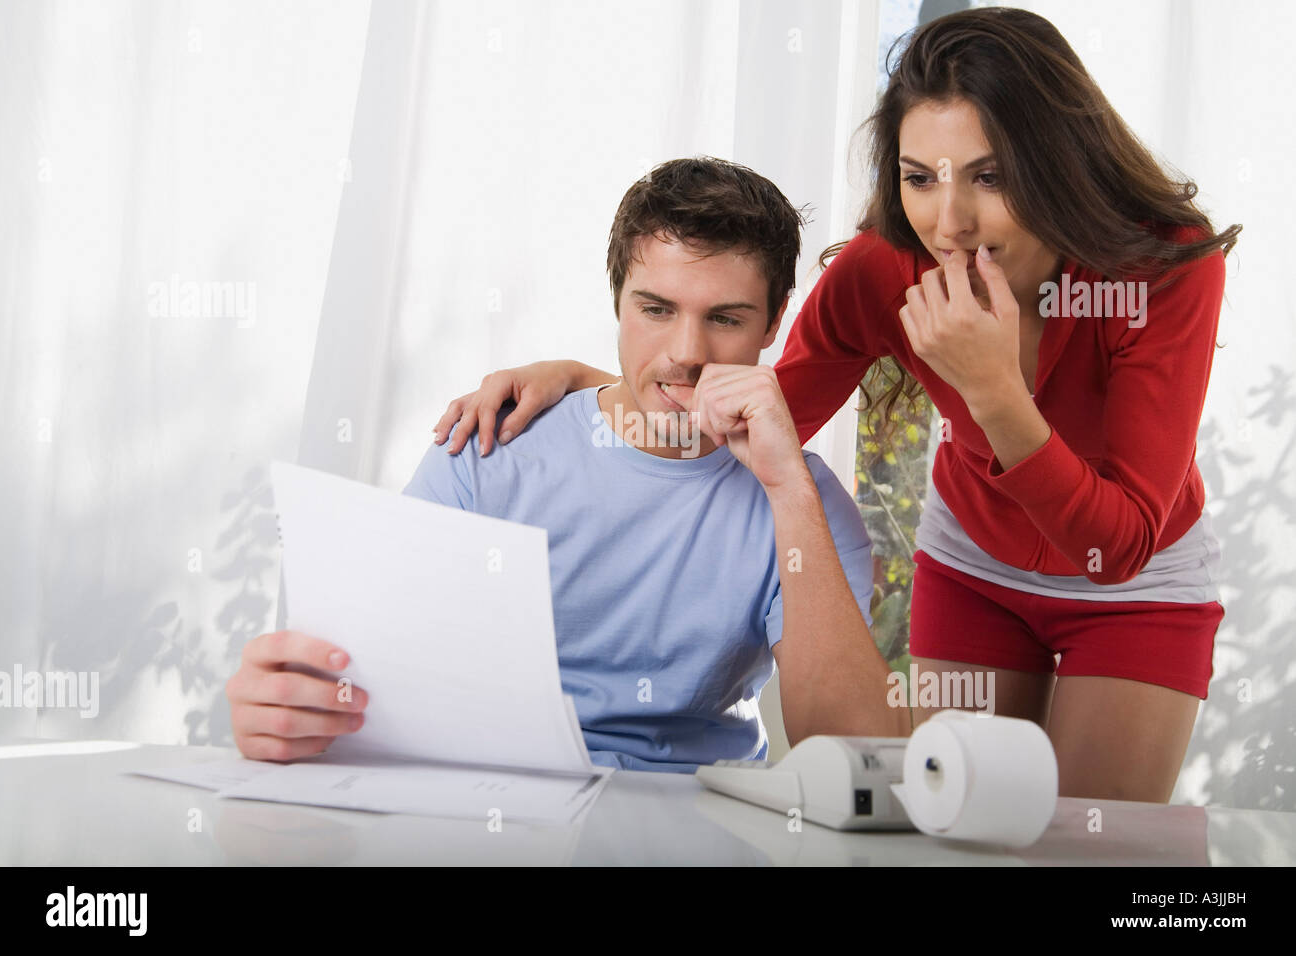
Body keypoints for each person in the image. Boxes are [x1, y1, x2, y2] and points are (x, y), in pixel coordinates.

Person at [432, 8, 1240, 802]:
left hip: (1132, 576)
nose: (948, 223)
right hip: (977, 565)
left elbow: (1120, 539)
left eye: (989, 177)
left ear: (1057, 159)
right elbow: (762, 412)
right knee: (960, 822)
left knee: (1092, 845)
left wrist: (991, 388)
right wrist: (594, 382)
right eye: (920, 179)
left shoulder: (1163, 267)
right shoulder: (884, 267)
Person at [226, 157, 909, 772]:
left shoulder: (805, 503)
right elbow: (373, 669)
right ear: (617, 301)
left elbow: (851, 749)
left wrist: (788, 487)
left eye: (725, 318)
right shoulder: (490, 445)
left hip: (693, 826)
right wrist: (285, 704)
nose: (686, 351)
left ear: (774, 321)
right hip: (493, 809)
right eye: (656, 309)